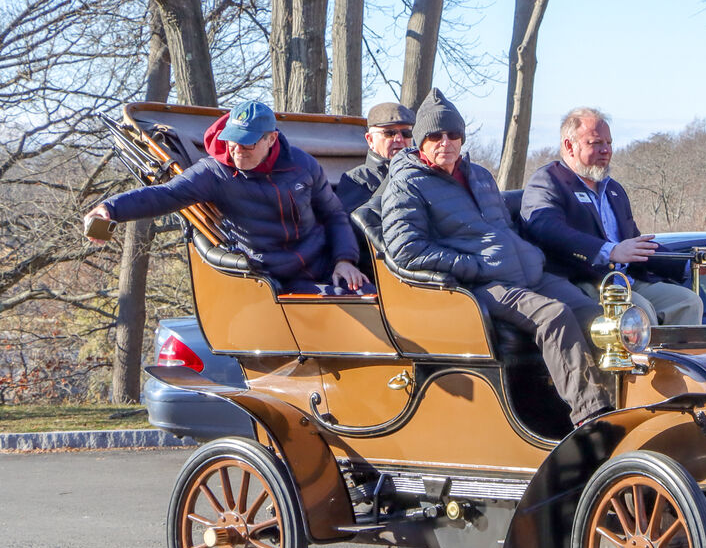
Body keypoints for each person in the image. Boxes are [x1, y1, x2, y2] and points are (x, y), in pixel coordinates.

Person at [381, 88, 613, 426]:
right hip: (481, 285)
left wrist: (530, 253)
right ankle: (592, 417)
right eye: (435, 135)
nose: (446, 142)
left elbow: (505, 227)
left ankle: (625, 401)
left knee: (597, 315)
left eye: (454, 134)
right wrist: (470, 266)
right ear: (421, 141)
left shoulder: (480, 176)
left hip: (528, 274)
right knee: (553, 316)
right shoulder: (406, 185)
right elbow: (406, 249)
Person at [84, 100, 371, 295]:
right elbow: (165, 194)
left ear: (271, 140)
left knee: (370, 292)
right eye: (232, 140)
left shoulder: (303, 165)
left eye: (247, 143)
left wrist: (343, 260)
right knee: (354, 304)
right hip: (273, 275)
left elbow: (334, 214)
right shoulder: (215, 172)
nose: (236, 150)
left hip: (321, 262)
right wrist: (110, 209)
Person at [521, 107, 706, 326]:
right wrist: (609, 251)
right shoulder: (548, 181)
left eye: (609, 143)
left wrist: (691, 264)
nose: (606, 150)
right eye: (596, 143)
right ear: (569, 145)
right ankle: (642, 362)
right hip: (583, 282)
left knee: (687, 301)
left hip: (626, 281)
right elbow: (546, 228)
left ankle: (674, 361)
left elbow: (637, 245)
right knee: (638, 310)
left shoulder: (614, 190)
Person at [336, 101, 415, 213]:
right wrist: (395, 174)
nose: (399, 139)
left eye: (406, 133)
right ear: (370, 140)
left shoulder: (421, 172)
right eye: (390, 133)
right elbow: (357, 223)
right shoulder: (355, 179)